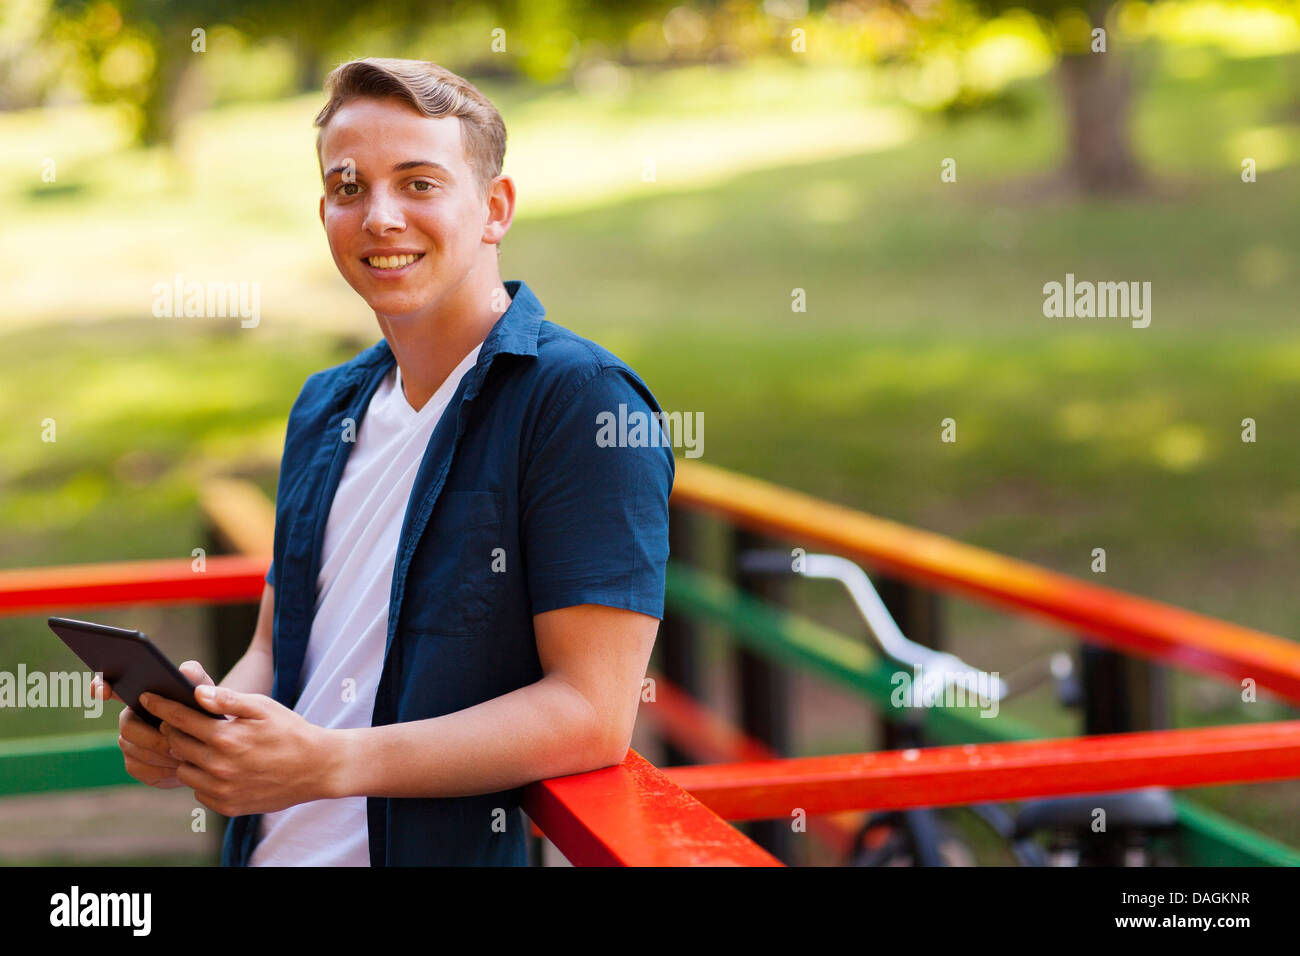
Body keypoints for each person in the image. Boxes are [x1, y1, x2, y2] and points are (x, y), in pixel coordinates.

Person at [92, 56, 675, 866]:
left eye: (420, 183)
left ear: (494, 208)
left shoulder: (584, 404)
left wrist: (330, 762)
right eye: (349, 187)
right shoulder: (324, 403)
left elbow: (593, 712)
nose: (381, 217)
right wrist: (204, 724)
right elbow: (275, 647)